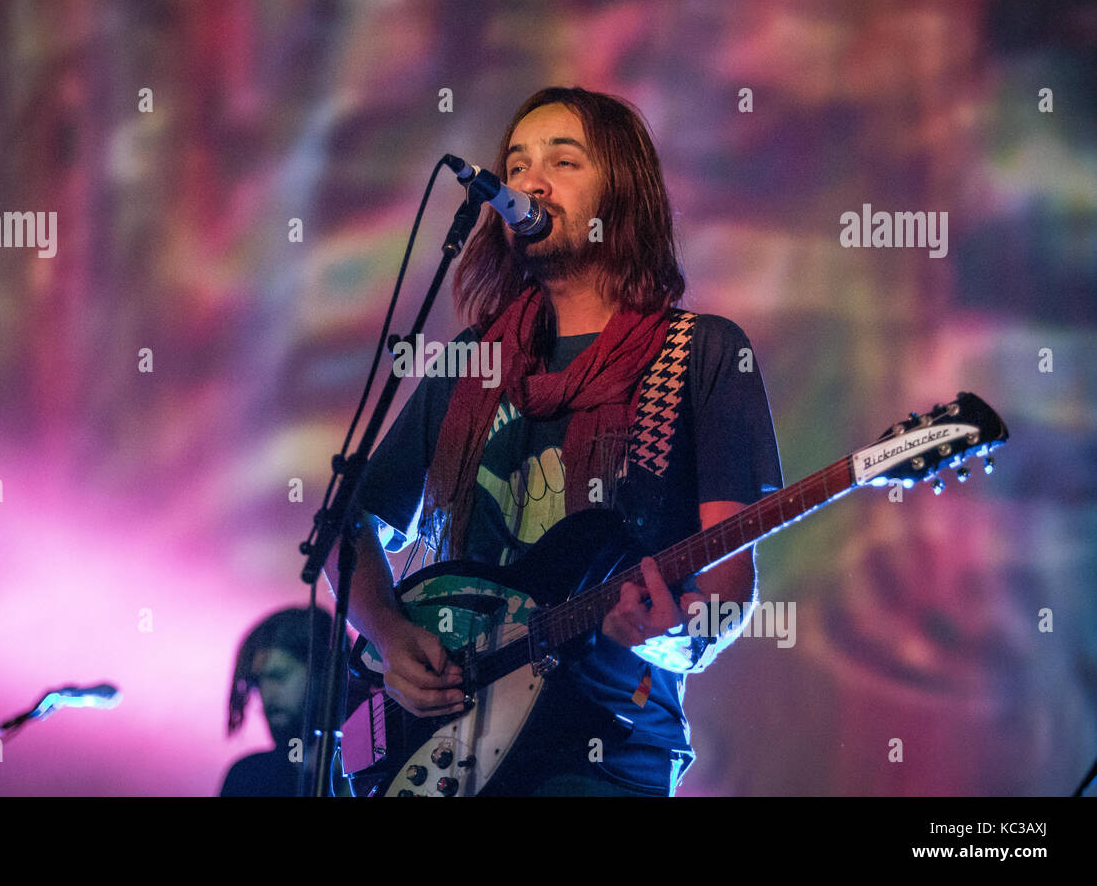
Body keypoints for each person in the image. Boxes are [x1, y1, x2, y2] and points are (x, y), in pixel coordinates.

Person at [337, 86, 783, 796]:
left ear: (622, 192)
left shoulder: (700, 354)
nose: (530, 183)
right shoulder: (472, 361)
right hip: (453, 744)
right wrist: (390, 637)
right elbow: (348, 523)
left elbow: (727, 581)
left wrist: (673, 636)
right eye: (516, 165)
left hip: (605, 744)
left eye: (563, 161)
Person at [221, 606, 334, 796]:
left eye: (279, 676)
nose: (267, 693)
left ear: (322, 673)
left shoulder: (365, 774)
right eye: (258, 682)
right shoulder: (249, 778)